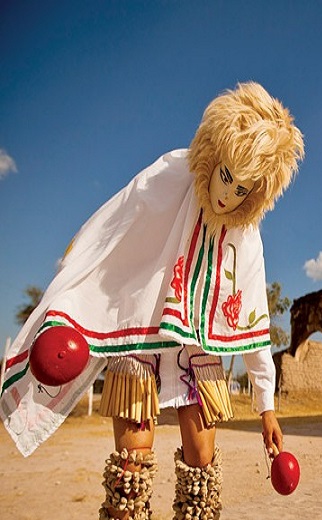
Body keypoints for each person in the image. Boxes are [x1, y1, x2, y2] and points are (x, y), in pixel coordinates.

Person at [0, 82, 304, 519]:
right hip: (141, 339)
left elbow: (251, 318)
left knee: (202, 474)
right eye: (226, 177)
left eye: (243, 189)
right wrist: (67, 303)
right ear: (213, 154)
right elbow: (112, 232)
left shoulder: (246, 237)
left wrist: (267, 404)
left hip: (198, 354)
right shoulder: (169, 175)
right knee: (130, 471)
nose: (227, 195)